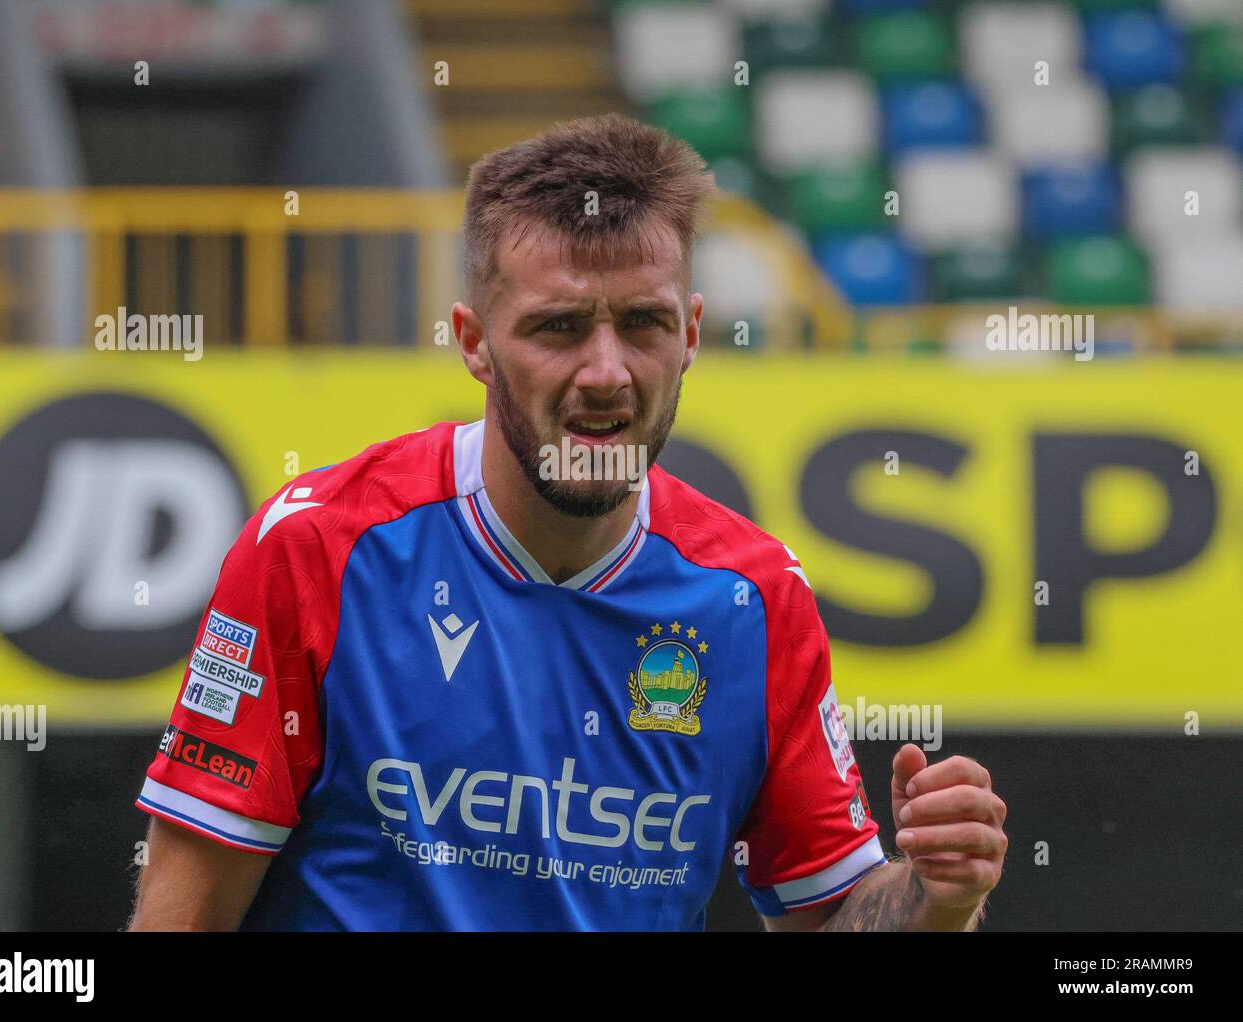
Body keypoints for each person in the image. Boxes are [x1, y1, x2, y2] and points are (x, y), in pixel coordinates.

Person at [128, 113, 1006, 931]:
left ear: (692, 332)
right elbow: (183, 916)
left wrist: (935, 894)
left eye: (643, 324)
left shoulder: (757, 598)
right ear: (473, 341)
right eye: (558, 327)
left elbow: (830, 917)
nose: (607, 371)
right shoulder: (317, 550)